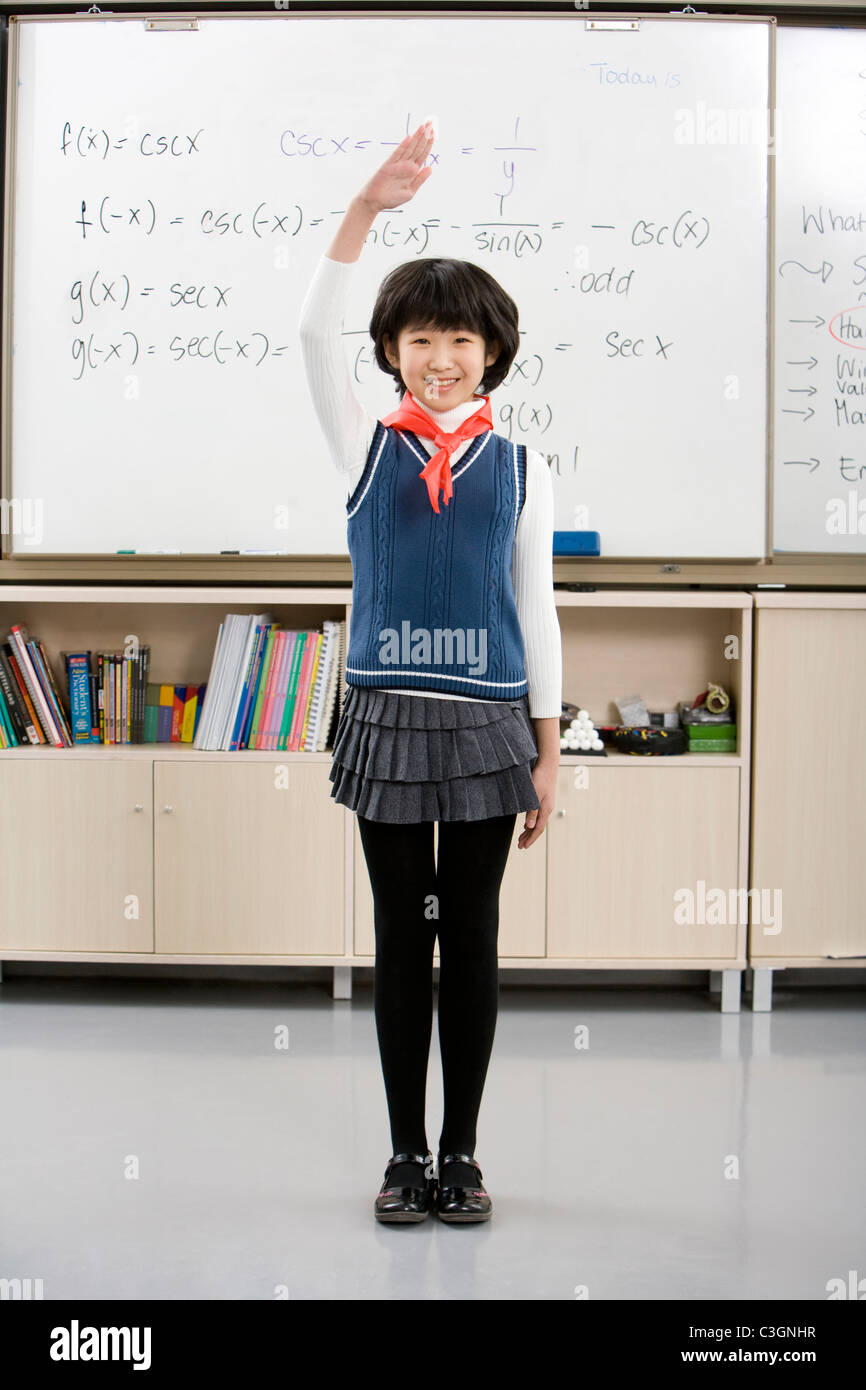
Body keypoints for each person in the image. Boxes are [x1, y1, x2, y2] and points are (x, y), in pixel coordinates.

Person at [299, 122, 562, 1225]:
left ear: (491, 351)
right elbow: (312, 332)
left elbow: (534, 606)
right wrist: (363, 210)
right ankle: (403, 1155)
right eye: (418, 337)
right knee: (403, 935)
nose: (439, 356)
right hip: (388, 720)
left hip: (490, 729)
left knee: (477, 937)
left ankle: (464, 1154)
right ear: (392, 350)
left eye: (458, 337)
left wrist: (550, 751)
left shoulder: (520, 466)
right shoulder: (364, 445)